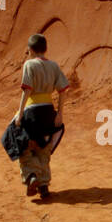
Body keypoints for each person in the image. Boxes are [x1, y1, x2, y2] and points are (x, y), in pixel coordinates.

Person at [12, 33, 69, 199]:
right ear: (46, 49)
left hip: (32, 110)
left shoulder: (29, 65)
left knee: (22, 144)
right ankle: (44, 185)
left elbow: (27, 90)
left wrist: (20, 113)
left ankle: (31, 176)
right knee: (44, 146)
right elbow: (63, 90)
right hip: (48, 112)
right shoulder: (54, 66)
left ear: (30, 50)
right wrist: (59, 113)